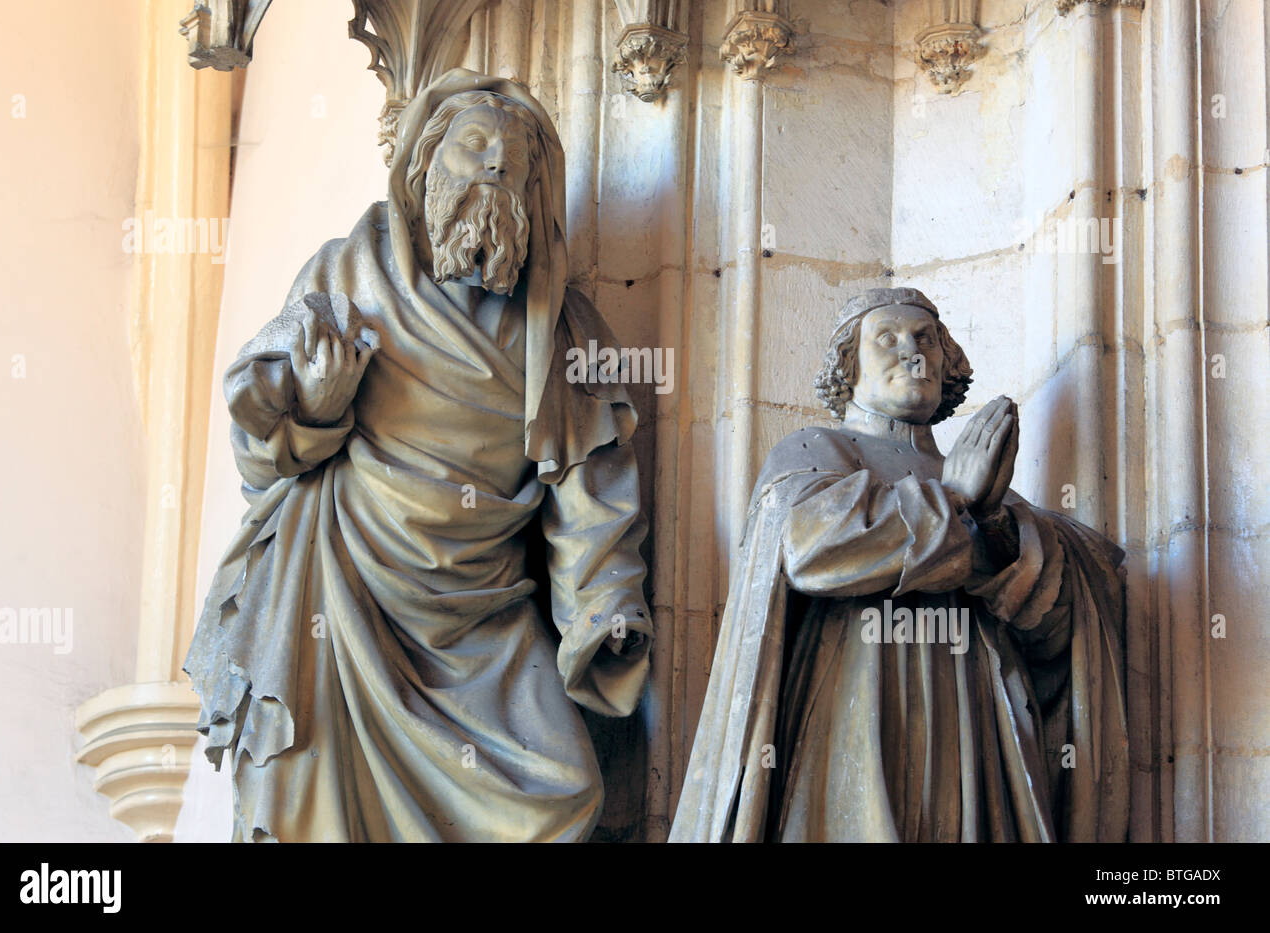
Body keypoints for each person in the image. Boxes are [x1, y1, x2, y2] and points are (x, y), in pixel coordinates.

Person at [185, 70, 653, 842]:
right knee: (317, 803)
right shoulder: (352, 274)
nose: (495, 167)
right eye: (474, 146)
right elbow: (259, 453)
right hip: (347, 594)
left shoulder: (566, 330)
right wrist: (321, 408)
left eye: (515, 160)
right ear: (426, 163)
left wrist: (607, 603)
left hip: (481, 617)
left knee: (565, 790)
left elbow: (589, 489)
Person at [670, 287, 1128, 842]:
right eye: (886, 338)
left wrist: (1000, 525)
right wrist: (953, 499)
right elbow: (810, 549)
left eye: (927, 339)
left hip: (973, 714)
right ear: (850, 366)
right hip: (854, 701)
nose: (913, 351)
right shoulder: (817, 451)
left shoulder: (987, 484)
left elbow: (1055, 619)